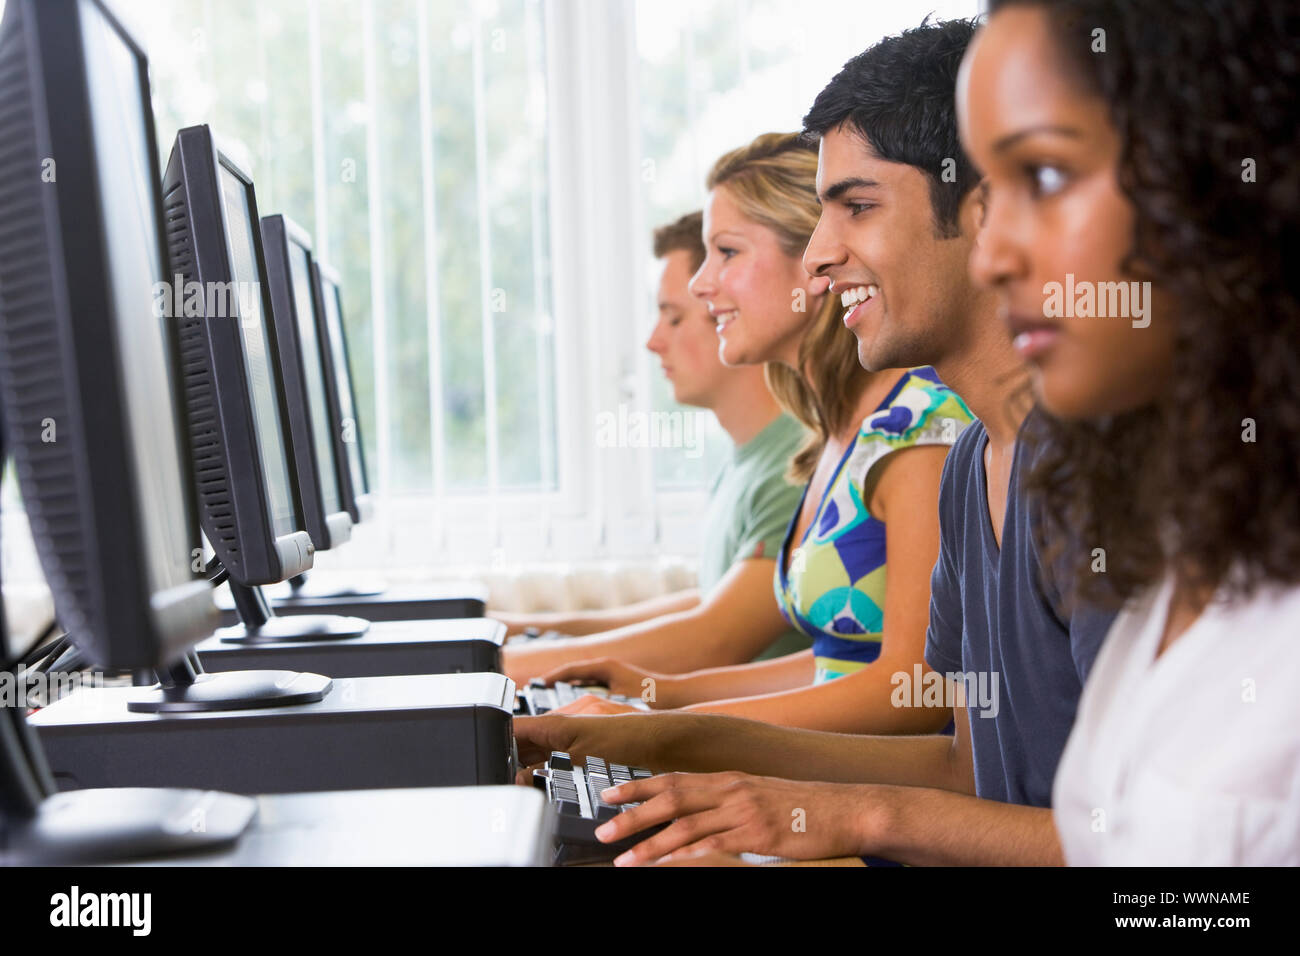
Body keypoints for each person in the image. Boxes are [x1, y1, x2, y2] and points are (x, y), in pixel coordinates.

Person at [513, 17, 1116, 866]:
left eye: (858, 208)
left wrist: (850, 818)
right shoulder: (972, 470)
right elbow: (962, 769)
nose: (822, 257)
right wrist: (676, 746)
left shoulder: (1104, 476)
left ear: (982, 212)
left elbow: (1180, 879)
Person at [962, 0, 1300, 865]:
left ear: (1214, 168)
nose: (990, 254)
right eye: (983, 191)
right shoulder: (1195, 526)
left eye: (1040, 176)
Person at [517, 133, 968, 738]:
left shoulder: (917, 432)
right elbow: (835, 664)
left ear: (812, 259)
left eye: (726, 252)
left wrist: (664, 724)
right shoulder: (837, 436)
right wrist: (658, 694)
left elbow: (910, 693)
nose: (703, 286)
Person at [499, 212, 811, 683]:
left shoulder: (794, 462)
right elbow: (712, 600)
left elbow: (713, 637)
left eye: (674, 316)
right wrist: (541, 629)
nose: (652, 341)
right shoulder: (749, 460)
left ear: (729, 307)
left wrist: (497, 668)